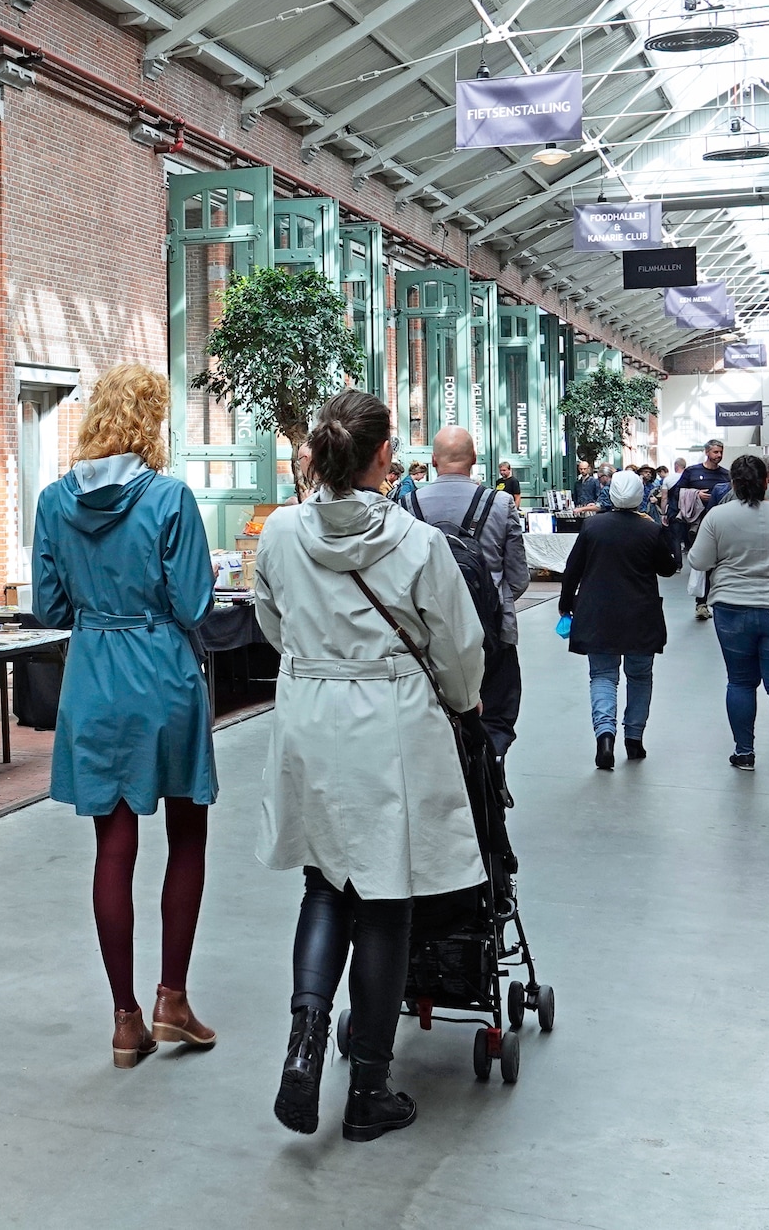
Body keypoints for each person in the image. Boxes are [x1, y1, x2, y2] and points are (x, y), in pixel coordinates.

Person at [253, 389, 485, 1143]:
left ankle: (303, 1042)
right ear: (386, 455)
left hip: (310, 719)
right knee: (386, 899)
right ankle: (370, 1088)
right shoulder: (417, 543)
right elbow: (458, 647)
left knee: (324, 883)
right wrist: (462, 699)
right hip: (390, 722)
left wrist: (315, 661)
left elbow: (270, 616)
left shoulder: (282, 531)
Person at [30, 364, 219, 1070]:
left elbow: (48, 606)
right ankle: (174, 995)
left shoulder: (54, 500)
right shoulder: (169, 496)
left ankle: (124, 1018)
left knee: (113, 846)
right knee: (186, 832)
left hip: (93, 676)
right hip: (162, 671)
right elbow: (195, 601)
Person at [686, 455, 769, 784]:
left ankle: (744, 751)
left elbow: (699, 559)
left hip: (734, 608)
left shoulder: (718, 516)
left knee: (741, 682)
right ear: (767, 480)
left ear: (732, 483)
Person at [410, 426, 528, 755]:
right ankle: (492, 766)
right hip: (491, 633)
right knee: (496, 714)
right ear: (474, 460)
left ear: (433, 461)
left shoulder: (406, 504)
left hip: (425, 636)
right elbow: (518, 579)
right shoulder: (501, 503)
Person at [557, 470, 679, 768]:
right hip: (641, 614)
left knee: (602, 676)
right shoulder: (650, 530)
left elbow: (573, 569)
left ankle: (605, 737)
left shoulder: (592, 526)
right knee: (639, 676)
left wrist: (565, 605)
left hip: (598, 613)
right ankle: (634, 739)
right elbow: (667, 568)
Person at [672, 440, 733, 619]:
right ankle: (701, 603)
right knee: (703, 564)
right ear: (707, 452)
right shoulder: (692, 472)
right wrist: (695, 494)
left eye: (721, 452)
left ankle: (720, 600)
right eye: (715, 452)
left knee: (720, 564)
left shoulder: (725, 475)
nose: (719, 456)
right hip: (697, 525)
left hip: (721, 525)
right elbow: (678, 492)